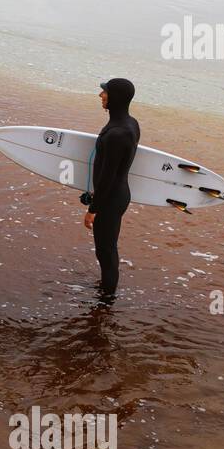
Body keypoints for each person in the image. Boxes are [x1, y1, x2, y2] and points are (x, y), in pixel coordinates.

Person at [81, 78, 140, 298]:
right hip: (115, 194)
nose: (100, 95)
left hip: (111, 198)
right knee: (107, 249)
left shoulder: (118, 133)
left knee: (106, 251)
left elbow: (108, 176)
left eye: (104, 92)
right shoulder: (130, 123)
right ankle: (106, 291)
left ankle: (106, 302)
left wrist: (93, 209)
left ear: (114, 97)